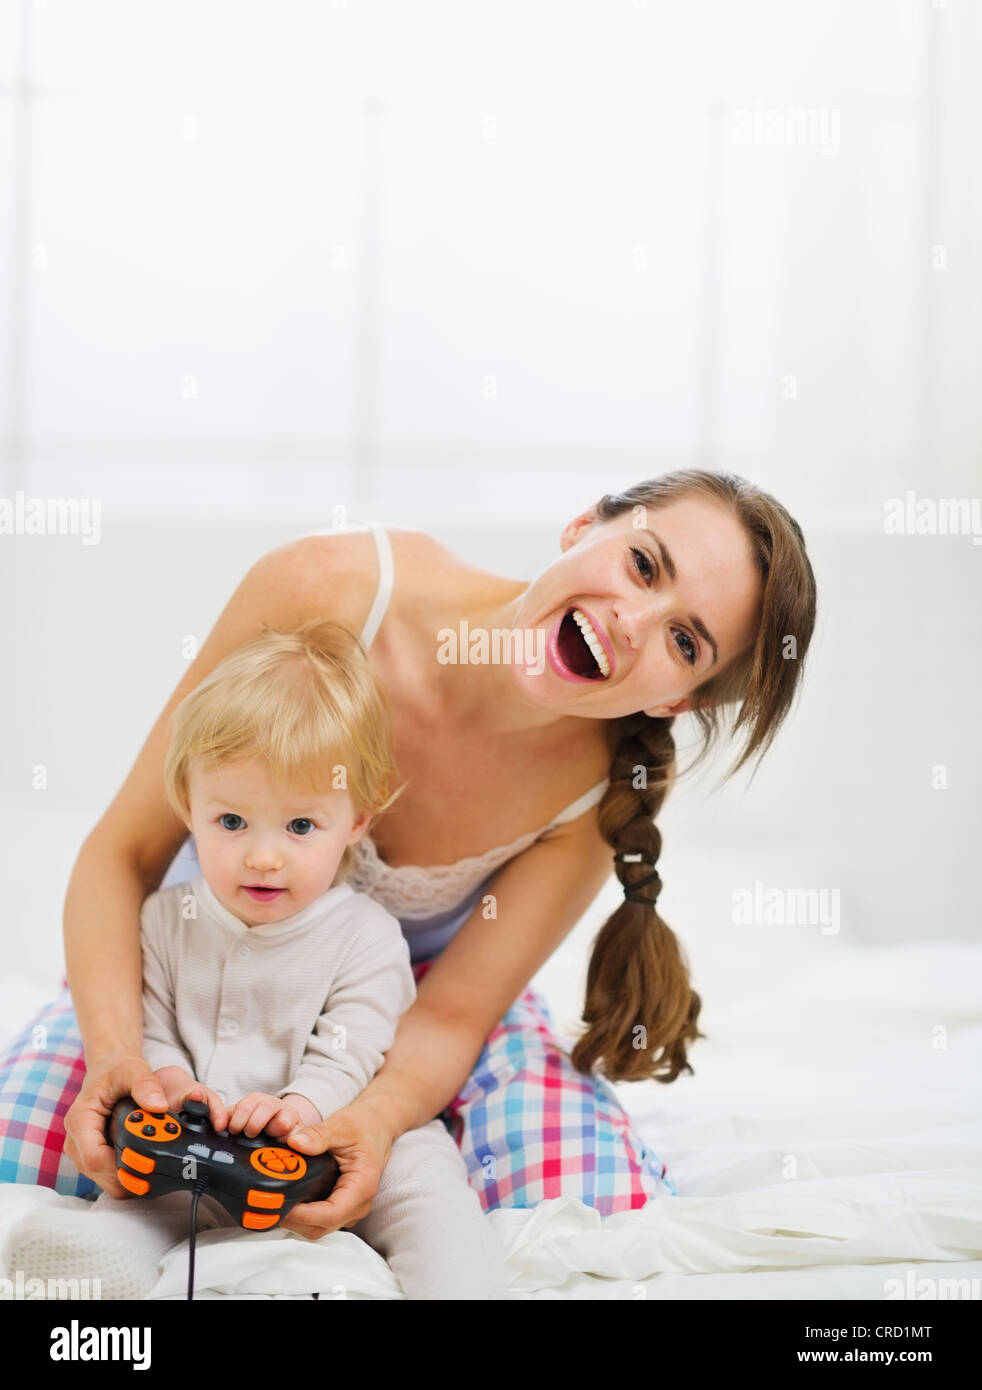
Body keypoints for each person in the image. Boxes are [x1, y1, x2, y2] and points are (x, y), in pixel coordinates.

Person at [0, 470, 817, 1244]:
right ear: (584, 526)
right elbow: (122, 854)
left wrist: (372, 1120)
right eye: (642, 564)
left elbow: (455, 1014)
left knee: (598, 1200)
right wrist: (117, 1054)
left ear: (678, 699)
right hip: (207, 952)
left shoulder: (602, 787)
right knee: (30, 1144)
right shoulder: (330, 589)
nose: (629, 622)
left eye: (683, 640)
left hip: (406, 1012)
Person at [9, 619, 508, 1299]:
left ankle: (459, 1284)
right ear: (188, 805)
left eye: (301, 827)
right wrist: (173, 1087)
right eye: (232, 822)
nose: (263, 855)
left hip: (337, 1130)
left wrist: (302, 1108)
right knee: (137, 1187)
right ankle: (98, 1262)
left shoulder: (366, 936)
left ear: (355, 822)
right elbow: (150, 1024)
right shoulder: (164, 920)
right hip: (199, 1126)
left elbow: (352, 1048)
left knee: (424, 1178)